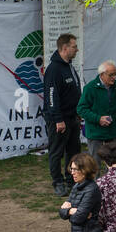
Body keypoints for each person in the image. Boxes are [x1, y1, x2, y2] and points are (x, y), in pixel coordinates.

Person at [43, 34, 82, 196]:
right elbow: (52, 96)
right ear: (64, 48)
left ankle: (71, 180)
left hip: (73, 117)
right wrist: (58, 119)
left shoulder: (69, 66)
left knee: (73, 150)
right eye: (74, 46)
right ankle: (58, 182)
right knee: (56, 152)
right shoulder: (54, 69)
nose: (76, 49)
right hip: (59, 120)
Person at [77, 60, 116, 158]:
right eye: (111, 75)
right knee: (95, 163)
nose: (114, 77)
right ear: (102, 74)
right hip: (95, 133)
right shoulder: (90, 88)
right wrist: (98, 119)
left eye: (115, 74)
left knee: (113, 161)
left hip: (112, 131)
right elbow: (81, 109)